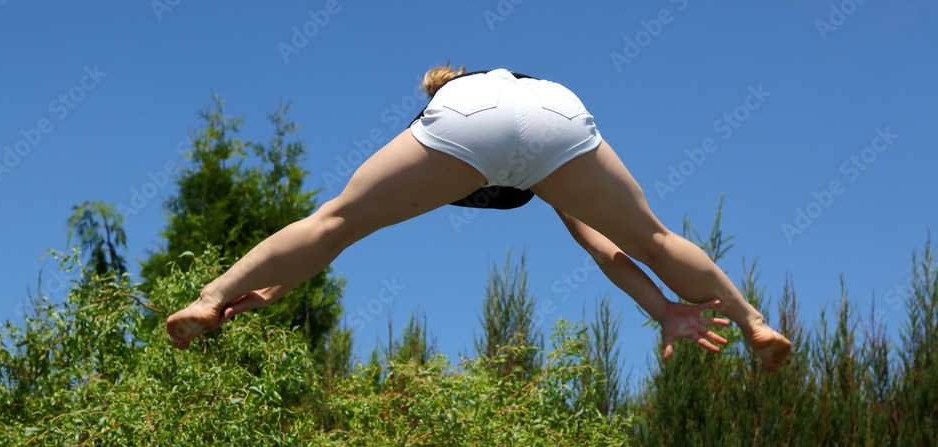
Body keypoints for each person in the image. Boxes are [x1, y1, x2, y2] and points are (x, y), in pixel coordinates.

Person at [166, 65, 791, 370]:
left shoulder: (450, 104)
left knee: (336, 219)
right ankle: (753, 321)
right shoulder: (550, 176)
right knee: (655, 236)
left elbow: (334, 234)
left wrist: (266, 289)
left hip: (472, 113)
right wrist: (663, 308)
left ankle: (208, 297)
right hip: (559, 111)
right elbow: (611, 250)